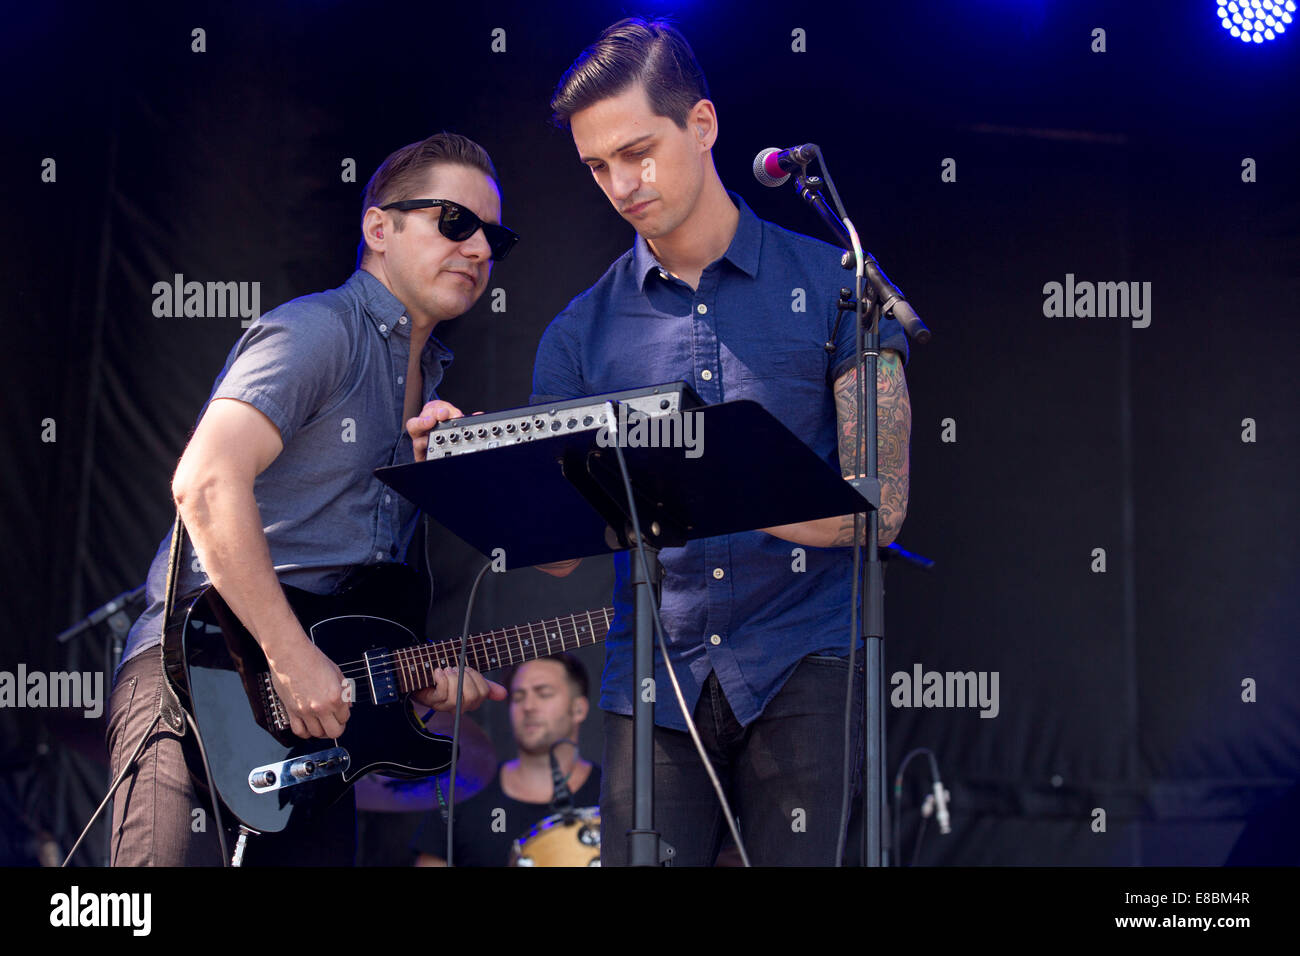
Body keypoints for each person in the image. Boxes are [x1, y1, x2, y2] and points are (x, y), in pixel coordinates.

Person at [530, 18, 913, 866]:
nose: (622, 183)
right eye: (598, 167)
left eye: (638, 151)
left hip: (806, 651)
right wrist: (477, 460)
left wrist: (724, 486)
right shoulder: (576, 333)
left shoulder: (841, 287)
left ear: (702, 124)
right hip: (655, 671)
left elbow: (880, 509)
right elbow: (556, 554)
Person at [106, 132, 513, 866]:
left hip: (319, 717)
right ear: (379, 228)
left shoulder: (433, 391)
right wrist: (290, 656)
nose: (480, 248)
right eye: (455, 222)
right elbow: (205, 480)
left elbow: (353, 603)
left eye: (494, 234)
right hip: (199, 670)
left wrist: (407, 676)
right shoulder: (319, 330)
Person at [412, 654, 600, 867]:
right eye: (518, 697)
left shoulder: (615, 794)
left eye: (544, 694)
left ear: (579, 709)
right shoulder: (461, 794)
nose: (528, 706)